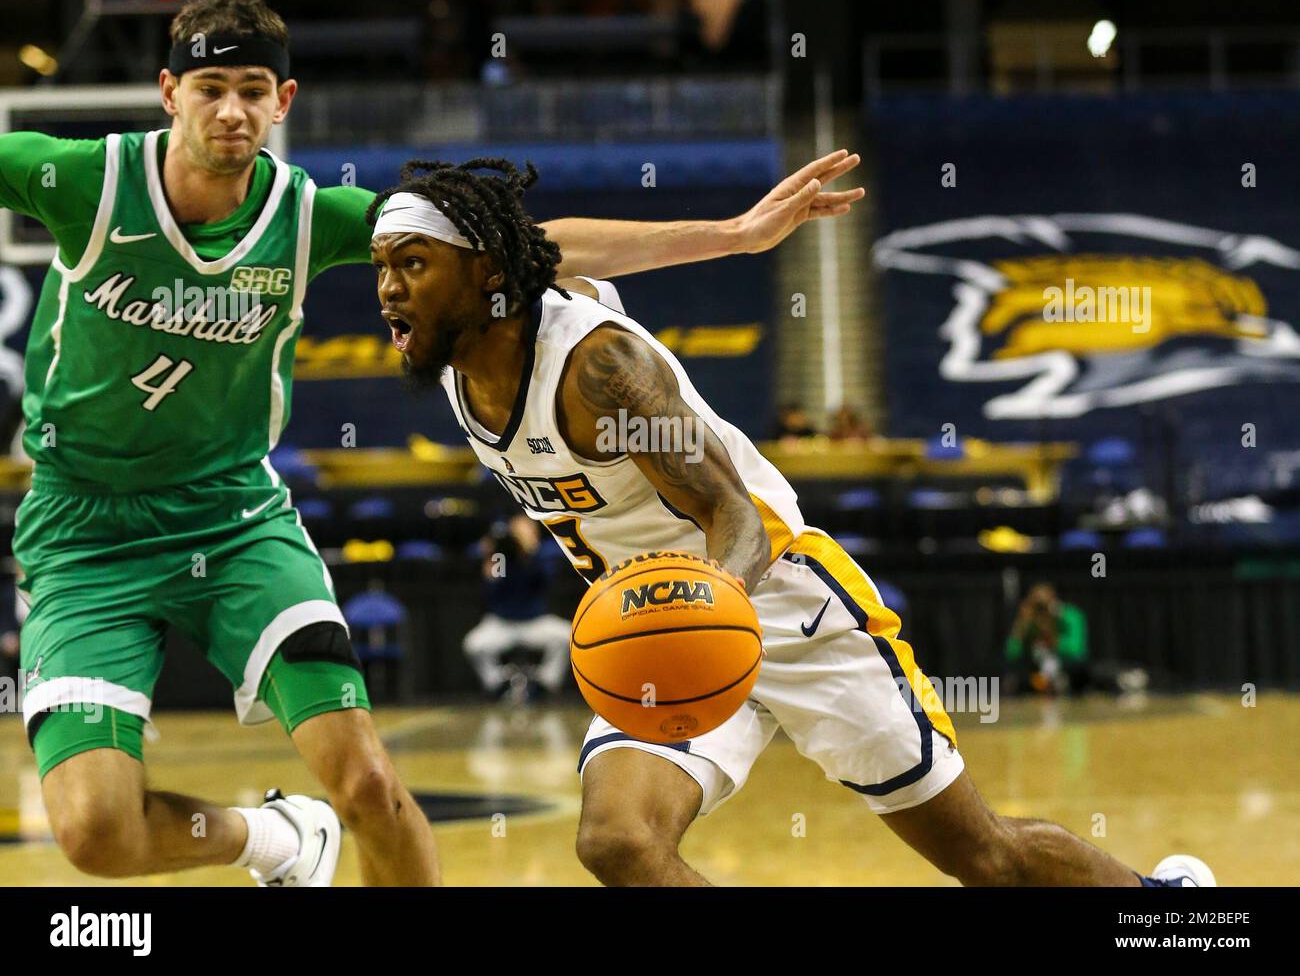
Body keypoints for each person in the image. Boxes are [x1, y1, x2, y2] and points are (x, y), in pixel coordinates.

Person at [0, 0, 863, 887]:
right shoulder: (83, 181)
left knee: (370, 783)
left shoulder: (309, 217)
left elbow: (524, 246)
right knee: (94, 833)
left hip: (230, 518)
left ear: (283, 102)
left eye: (253, 88)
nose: (232, 109)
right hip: (83, 534)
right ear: (168, 92)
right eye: (211, 87)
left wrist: (731, 234)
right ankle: (280, 840)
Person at [367, 157, 1216, 888]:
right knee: (618, 841)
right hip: (655, 624)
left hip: (778, 600)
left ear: (483, 272)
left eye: (412, 262)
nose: (389, 288)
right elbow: (549, 240)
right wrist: (735, 232)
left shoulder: (597, 367)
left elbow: (733, 512)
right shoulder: (450, 348)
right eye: (382, 267)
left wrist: (707, 611)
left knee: (985, 858)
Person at [464, 515, 571, 700]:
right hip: (502, 623)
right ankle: (499, 684)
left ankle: (544, 684)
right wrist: (493, 556)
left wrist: (530, 552)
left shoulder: (539, 555)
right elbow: (494, 587)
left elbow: (544, 580)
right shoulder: (501, 555)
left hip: (534, 621)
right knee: (474, 644)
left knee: (568, 636)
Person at [1005, 583, 1089, 695]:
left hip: (1066, 669)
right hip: (1034, 673)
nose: (1041, 613)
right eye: (1038, 608)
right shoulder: (1029, 621)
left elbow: (1077, 651)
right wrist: (1021, 627)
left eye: (1044, 608)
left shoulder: (1070, 616)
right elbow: (1011, 654)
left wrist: (1055, 641)